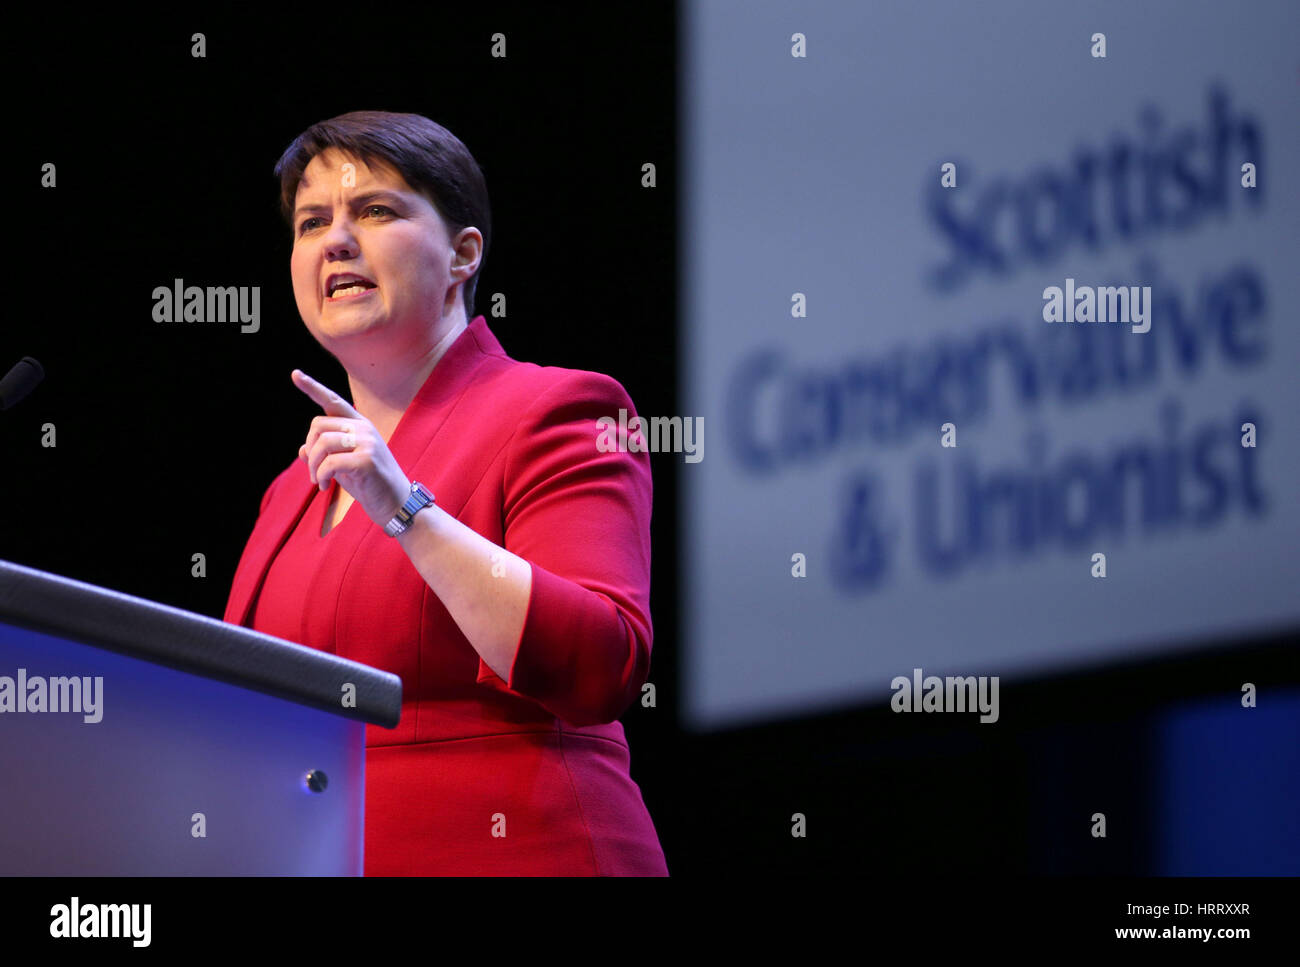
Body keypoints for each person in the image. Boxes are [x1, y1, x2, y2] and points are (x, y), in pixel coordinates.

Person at [222, 110, 668, 875]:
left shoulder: (564, 410)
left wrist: (404, 508)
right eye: (311, 221)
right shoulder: (289, 491)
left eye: (376, 210)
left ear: (464, 253)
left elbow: (603, 662)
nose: (335, 240)